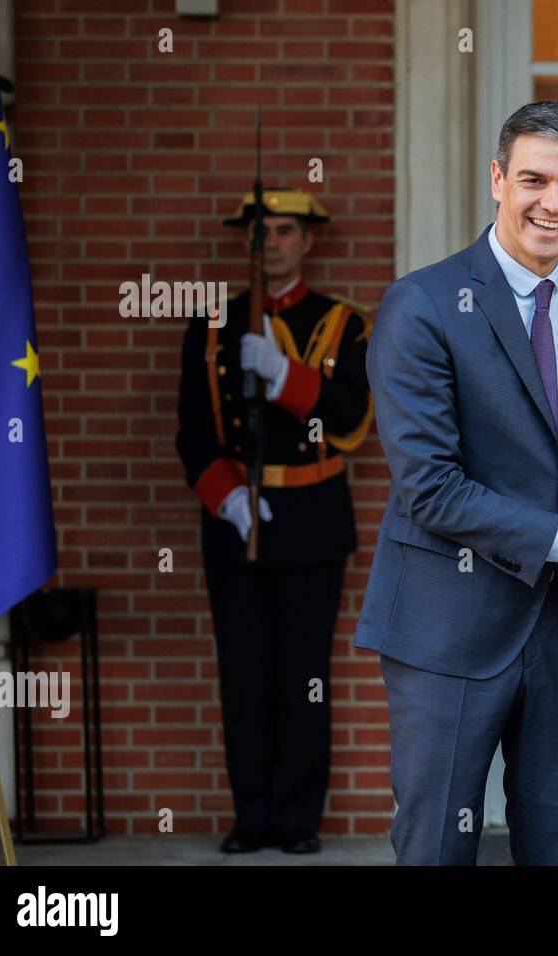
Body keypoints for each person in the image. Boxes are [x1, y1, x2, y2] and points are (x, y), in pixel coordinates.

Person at [354, 100, 558, 865]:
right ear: (497, 179)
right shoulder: (422, 304)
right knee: (436, 852)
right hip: (448, 627)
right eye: (533, 180)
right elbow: (431, 486)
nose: (553, 204)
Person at [175, 189, 373, 854]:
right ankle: (251, 815)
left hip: (312, 516)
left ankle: (297, 820)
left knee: (305, 674)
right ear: (247, 243)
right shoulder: (211, 325)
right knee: (244, 671)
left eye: (286, 231)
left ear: (308, 242)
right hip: (235, 520)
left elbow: (351, 416)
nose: (272, 243)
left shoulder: (343, 324)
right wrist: (226, 497)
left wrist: (285, 376)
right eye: (261, 232)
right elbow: (193, 432)